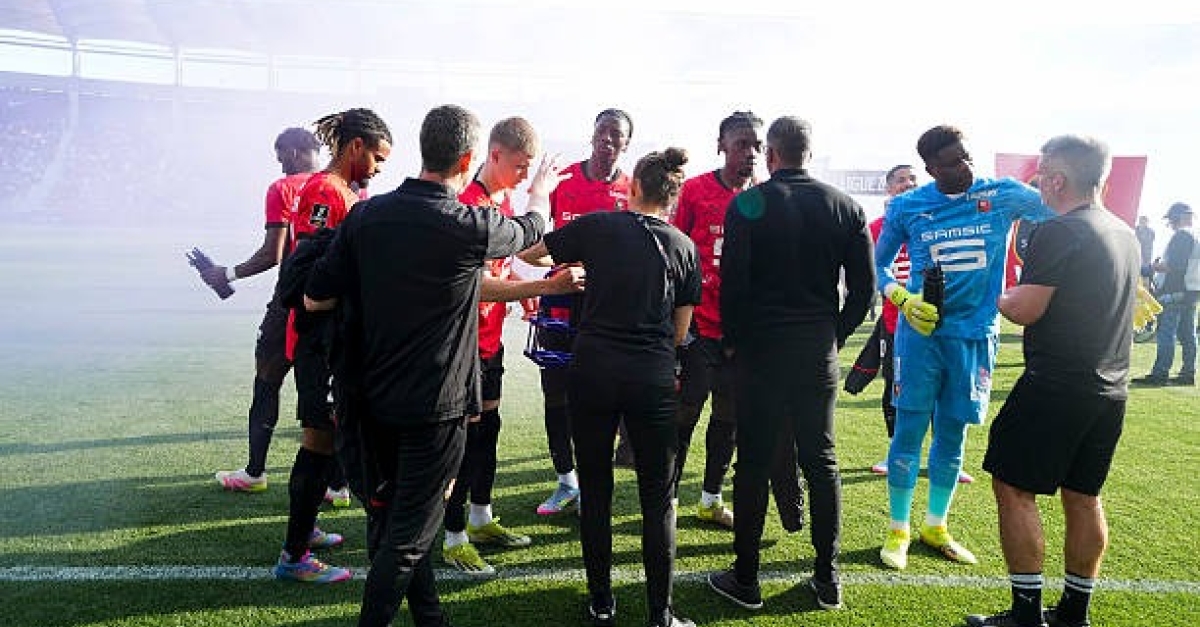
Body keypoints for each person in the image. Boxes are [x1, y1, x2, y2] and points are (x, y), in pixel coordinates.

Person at [305, 104, 565, 627]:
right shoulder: (468, 225)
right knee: (408, 537)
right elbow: (529, 229)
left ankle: (430, 617)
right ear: (469, 158)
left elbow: (314, 297)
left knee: (392, 522)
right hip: (434, 407)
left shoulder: (366, 215)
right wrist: (539, 194)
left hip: (371, 400)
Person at [519, 147, 701, 627]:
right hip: (652, 378)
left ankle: (602, 603)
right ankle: (660, 613)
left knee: (596, 490)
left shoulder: (599, 226)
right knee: (657, 498)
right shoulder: (683, 246)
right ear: (671, 195)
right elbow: (680, 332)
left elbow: (530, 253)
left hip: (594, 371)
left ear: (633, 188)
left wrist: (567, 272)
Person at [965, 135, 1139, 627]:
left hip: (1057, 384)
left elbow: (1026, 308)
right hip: (1110, 390)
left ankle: (1025, 616)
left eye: (1042, 173)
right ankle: (1073, 615)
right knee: (1084, 495)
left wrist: (990, 294)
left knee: (1014, 487)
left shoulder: (1059, 231)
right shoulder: (1124, 232)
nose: (1037, 181)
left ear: (1057, 179)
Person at [707, 116, 874, 612]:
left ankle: (746, 579)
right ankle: (827, 579)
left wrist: (735, 342)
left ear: (773, 155)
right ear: (807, 151)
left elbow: (733, 285)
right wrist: (833, 336)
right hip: (816, 352)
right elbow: (863, 294)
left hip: (760, 353)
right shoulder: (844, 206)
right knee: (821, 462)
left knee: (754, 462)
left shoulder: (749, 204)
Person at [873, 124, 1055, 572]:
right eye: (953, 162)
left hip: (975, 337)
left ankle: (936, 526)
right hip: (921, 338)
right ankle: (897, 530)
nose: (966, 167)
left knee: (954, 433)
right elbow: (875, 265)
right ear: (931, 168)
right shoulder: (908, 206)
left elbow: (1067, 216)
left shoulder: (1005, 194)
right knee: (909, 432)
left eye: (967, 156)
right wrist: (901, 298)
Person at [441, 116, 584, 577]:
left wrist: (530, 287)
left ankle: (481, 518)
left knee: (489, 430)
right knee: (464, 440)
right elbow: (477, 286)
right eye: (520, 167)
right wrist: (543, 289)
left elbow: (508, 262)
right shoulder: (468, 204)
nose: (525, 177)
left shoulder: (499, 200)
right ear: (494, 155)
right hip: (460, 346)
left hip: (488, 342)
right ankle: (454, 536)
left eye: (530, 169)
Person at [272, 108, 393, 583]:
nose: (379, 168)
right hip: (318, 340)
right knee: (319, 440)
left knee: (330, 436)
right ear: (356, 147)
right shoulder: (327, 191)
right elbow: (309, 273)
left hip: (331, 338)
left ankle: (305, 528)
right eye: (377, 158)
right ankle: (294, 556)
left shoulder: (346, 192)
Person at [670, 111, 805, 532]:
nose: (749, 152)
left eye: (756, 145)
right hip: (697, 327)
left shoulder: (768, 196)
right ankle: (668, 501)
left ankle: (710, 498)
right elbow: (674, 252)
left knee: (727, 418)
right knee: (684, 416)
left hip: (743, 333)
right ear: (722, 145)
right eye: (741, 143)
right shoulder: (694, 191)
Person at [534, 108, 635, 516]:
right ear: (591, 136)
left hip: (608, 308)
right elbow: (538, 241)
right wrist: (548, 276)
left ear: (626, 144)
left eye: (616, 135)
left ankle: (594, 481)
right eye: (601, 132)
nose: (607, 139)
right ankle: (565, 482)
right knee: (555, 391)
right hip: (560, 301)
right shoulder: (565, 182)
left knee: (601, 395)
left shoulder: (632, 190)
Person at [207, 128, 320, 494]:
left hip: (289, 302)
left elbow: (274, 253)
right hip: (329, 305)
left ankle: (254, 472)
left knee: (267, 380)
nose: (280, 161)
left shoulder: (282, 189)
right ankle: (337, 484)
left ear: (297, 150)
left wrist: (226, 273)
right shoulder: (347, 189)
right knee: (326, 391)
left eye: (282, 153)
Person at [1133, 202, 1197, 386]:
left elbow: (1174, 266)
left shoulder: (1182, 236)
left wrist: (1149, 268)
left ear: (1177, 218)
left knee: (1166, 333)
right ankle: (1187, 374)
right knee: (1187, 335)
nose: (1171, 224)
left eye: (1171, 220)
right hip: (1191, 292)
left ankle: (1160, 374)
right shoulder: (1195, 236)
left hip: (1175, 291)